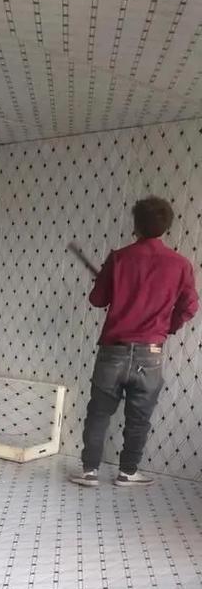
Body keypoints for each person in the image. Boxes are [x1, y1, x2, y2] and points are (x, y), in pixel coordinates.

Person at [71, 196, 199, 488]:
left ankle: (89, 472)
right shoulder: (180, 265)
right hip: (150, 353)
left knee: (99, 413)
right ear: (166, 227)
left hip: (113, 352)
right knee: (139, 417)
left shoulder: (119, 258)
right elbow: (189, 307)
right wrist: (167, 327)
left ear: (136, 225)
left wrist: (105, 281)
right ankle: (128, 473)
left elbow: (97, 300)